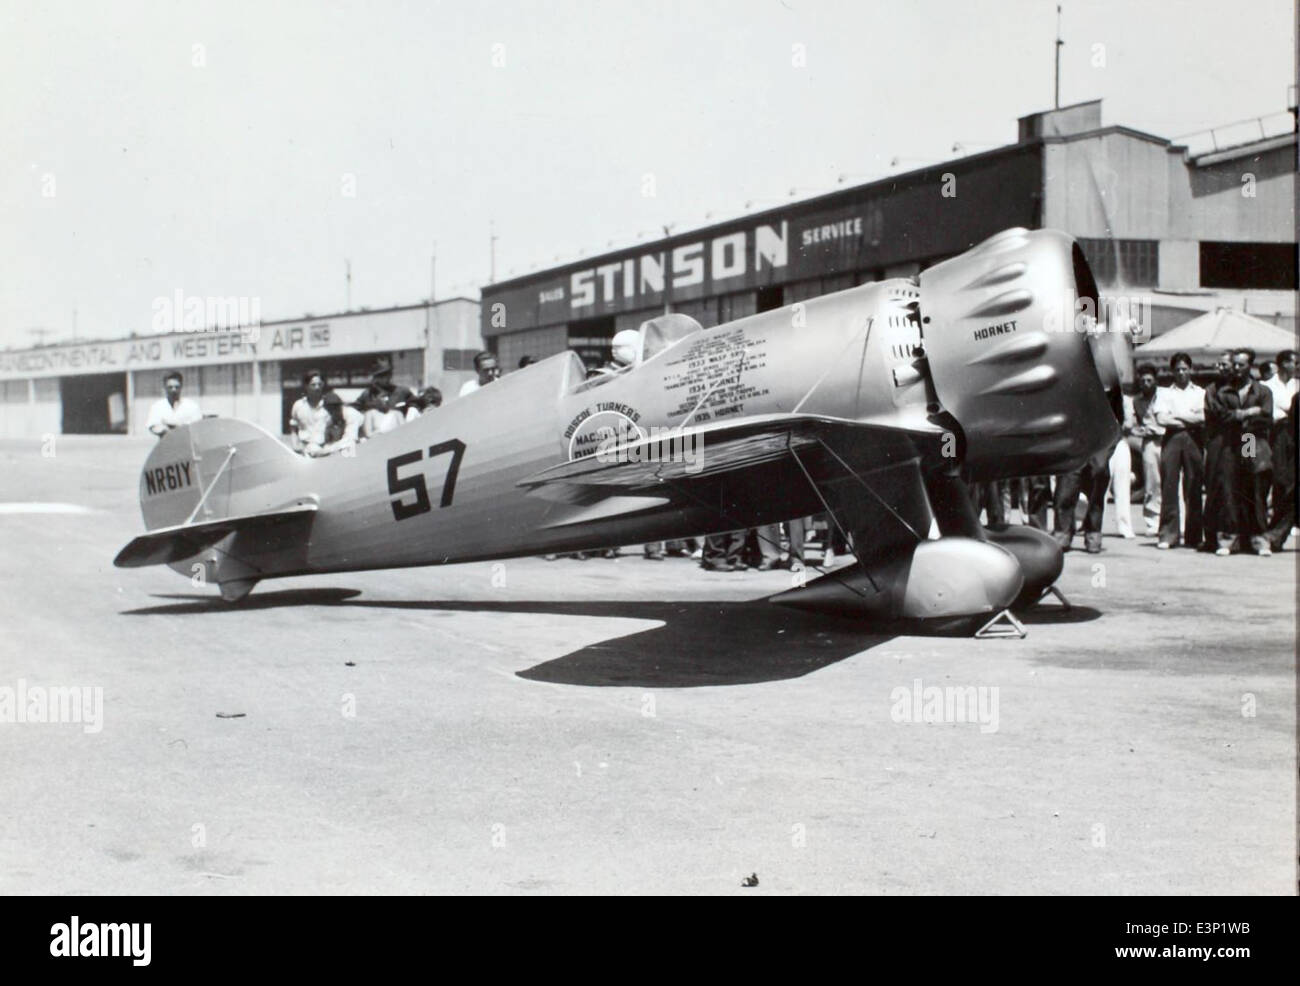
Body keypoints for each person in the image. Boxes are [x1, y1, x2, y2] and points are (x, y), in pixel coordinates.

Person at [1209, 348, 1274, 556]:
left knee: (1252, 486)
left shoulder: (1262, 391)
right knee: (1229, 487)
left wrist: (1240, 416)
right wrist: (1246, 413)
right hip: (1230, 441)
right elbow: (1220, 416)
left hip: (1249, 440)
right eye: (1234, 364)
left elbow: (1266, 416)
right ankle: (1229, 539)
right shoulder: (1223, 391)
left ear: (1250, 366)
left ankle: (1258, 538)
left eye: (1241, 364)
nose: (1236, 368)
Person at [1152, 352, 1205, 549]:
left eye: (1185, 369)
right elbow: (1161, 419)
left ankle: (1194, 536)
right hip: (1172, 440)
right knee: (1169, 487)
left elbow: (1203, 418)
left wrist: (1177, 415)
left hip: (1194, 440)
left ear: (1190, 370)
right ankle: (1168, 535)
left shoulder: (1200, 392)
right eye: (1178, 369)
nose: (1181, 372)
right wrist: (1188, 418)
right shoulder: (1164, 392)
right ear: (1172, 371)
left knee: (1194, 486)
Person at [1264, 351, 1298, 550]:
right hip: (1276, 435)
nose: (1296, 366)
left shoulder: (1297, 385)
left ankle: (1277, 533)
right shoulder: (1268, 386)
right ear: (1283, 364)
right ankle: (1274, 531)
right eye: (1294, 362)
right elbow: (1269, 412)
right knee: (1280, 481)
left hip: (1294, 433)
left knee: (1290, 485)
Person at [1128, 363, 1164, 536]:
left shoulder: (1164, 396)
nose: (1146, 383)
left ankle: (1175, 521)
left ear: (1156, 380)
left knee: (1173, 482)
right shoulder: (1137, 401)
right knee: (1152, 483)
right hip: (1149, 442)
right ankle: (1153, 521)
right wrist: (1139, 430)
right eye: (1143, 381)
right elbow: (1133, 424)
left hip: (1167, 440)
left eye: (1150, 380)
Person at [146, 371, 203, 437]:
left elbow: (198, 427)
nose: (173, 390)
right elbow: (152, 425)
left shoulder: (192, 406)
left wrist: (177, 427)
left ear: (181, 386)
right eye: (170, 387)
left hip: (186, 443)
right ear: (164, 387)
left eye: (176, 387)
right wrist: (164, 429)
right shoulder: (157, 406)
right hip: (166, 444)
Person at [306, 391, 364, 457]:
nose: (333, 411)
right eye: (329, 408)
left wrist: (326, 450)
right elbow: (318, 438)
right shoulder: (328, 418)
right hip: (339, 448)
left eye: (335, 407)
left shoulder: (351, 414)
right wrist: (315, 449)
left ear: (340, 405)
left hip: (360, 447)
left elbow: (349, 439)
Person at [289, 368, 330, 452]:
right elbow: (293, 430)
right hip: (304, 449)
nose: (317, 387)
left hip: (324, 449)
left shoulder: (329, 405)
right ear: (306, 386)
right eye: (313, 384)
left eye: (319, 384)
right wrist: (295, 446)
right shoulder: (298, 405)